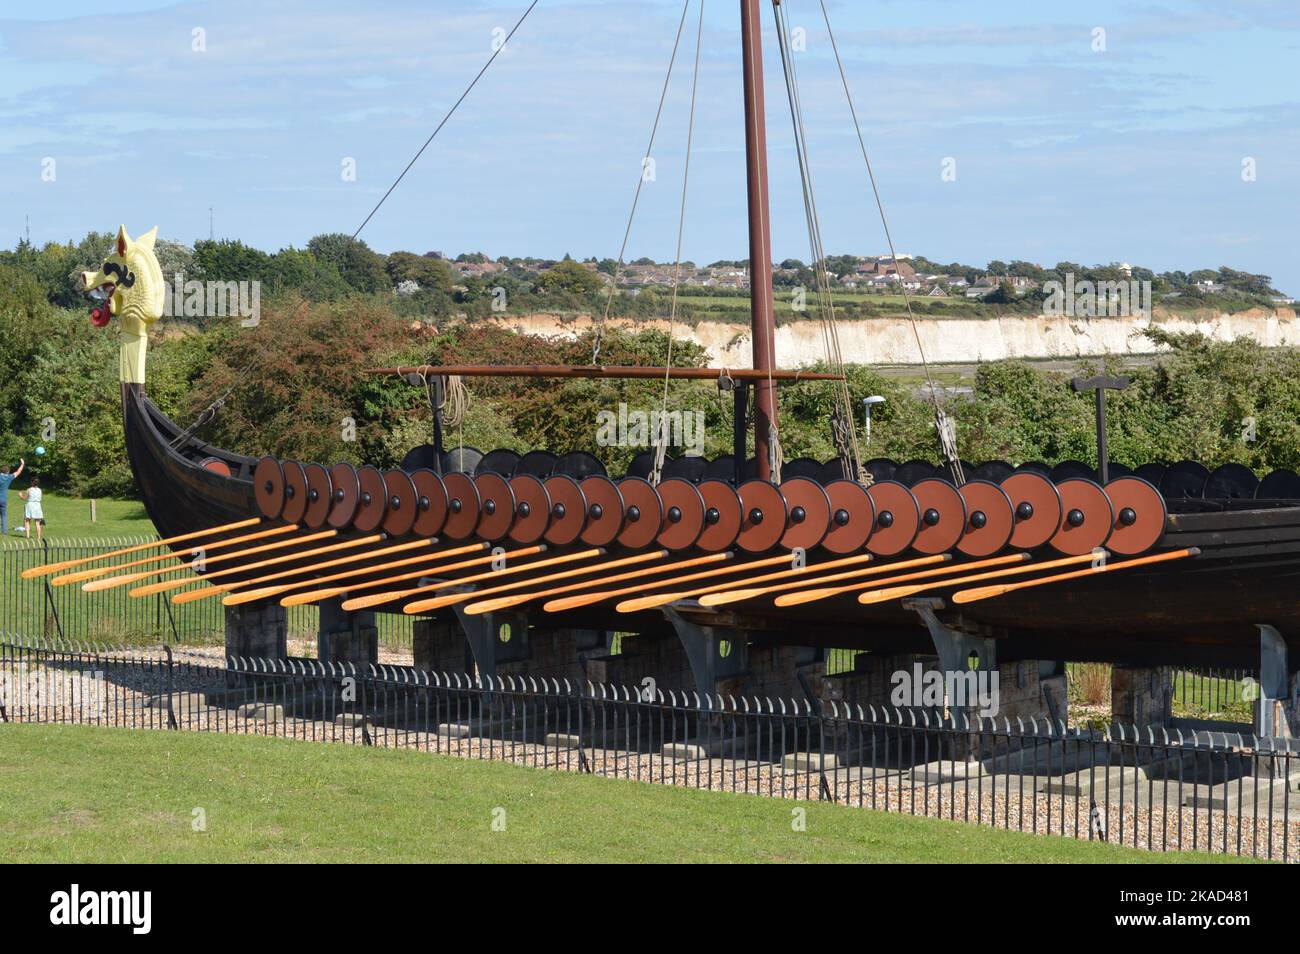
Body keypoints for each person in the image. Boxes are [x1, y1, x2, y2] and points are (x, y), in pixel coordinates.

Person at [0, 458, 24, 535]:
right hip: (3, 500)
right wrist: (22, 464)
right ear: (8, 471)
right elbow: (18, 472)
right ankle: (4, 532)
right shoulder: (9, 477)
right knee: (4, 515)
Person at [19, 476, 44, 542]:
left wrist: (20, 495)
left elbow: (24, 498)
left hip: (30, 505)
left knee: (27, 520)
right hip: (38, 505)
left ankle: (27, 536)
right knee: (37, 522)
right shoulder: (40, 490)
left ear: (32, 482)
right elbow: (40, 498)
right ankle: (38, 537)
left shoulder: (29, 490)